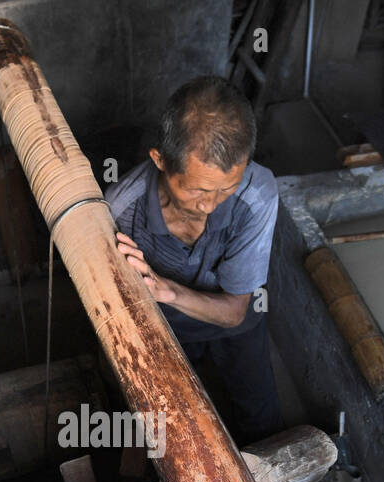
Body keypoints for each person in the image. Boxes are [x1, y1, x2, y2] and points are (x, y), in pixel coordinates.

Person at [106, 75, 283, 446]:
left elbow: (235, 311)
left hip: (237, 326)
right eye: (196, 189)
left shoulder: (257, 194)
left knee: (262, 421)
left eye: (225, 189)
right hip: (165, 332)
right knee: (176, 436)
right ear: (160, 160)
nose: (209, 204)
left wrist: (168, 291)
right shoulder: (121, 212)